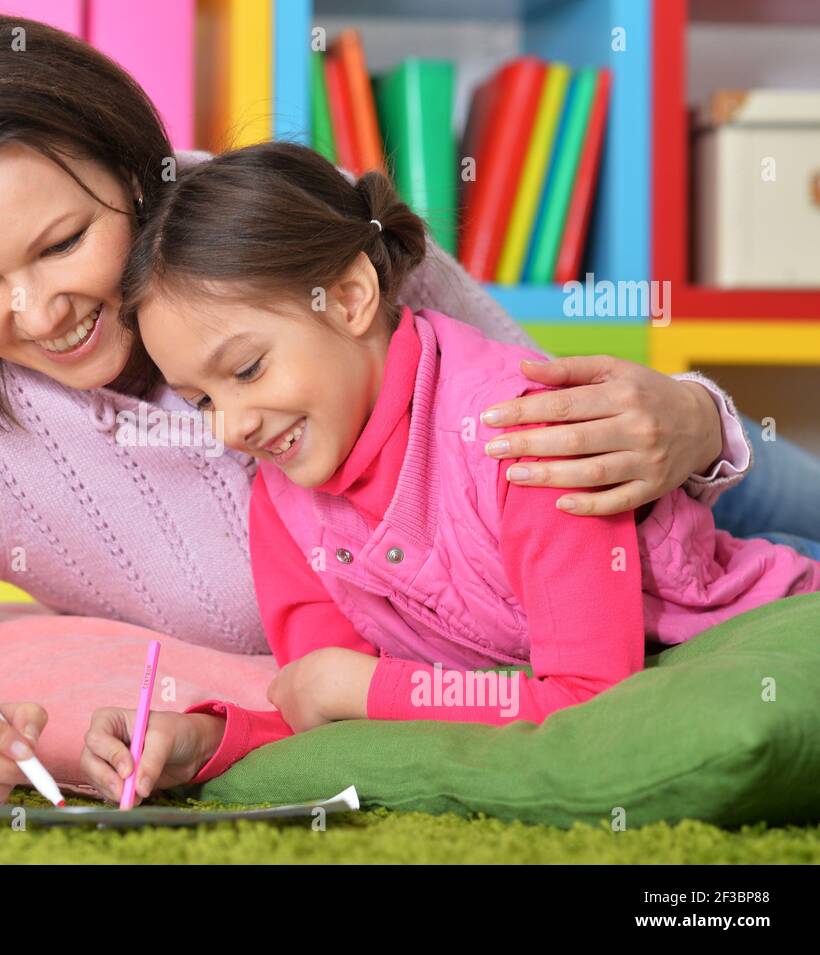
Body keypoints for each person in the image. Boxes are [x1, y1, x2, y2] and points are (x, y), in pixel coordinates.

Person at [0, 14, 811, 808]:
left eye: (63, 241)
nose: (39, 306)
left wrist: (699, 424)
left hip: (669, 496)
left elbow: (530, 446)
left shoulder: (277, 232)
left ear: (137, 173)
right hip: (483, 639)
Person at [78, 142, 820, 804]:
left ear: (349, 297)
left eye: (247, 368)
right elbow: (322, 707)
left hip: (758, 618)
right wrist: (206, 739)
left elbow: (590, 697)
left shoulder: (520, 437)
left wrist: (368, 687)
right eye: (204, 398)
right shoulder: (280, 503)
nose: (232, 425)